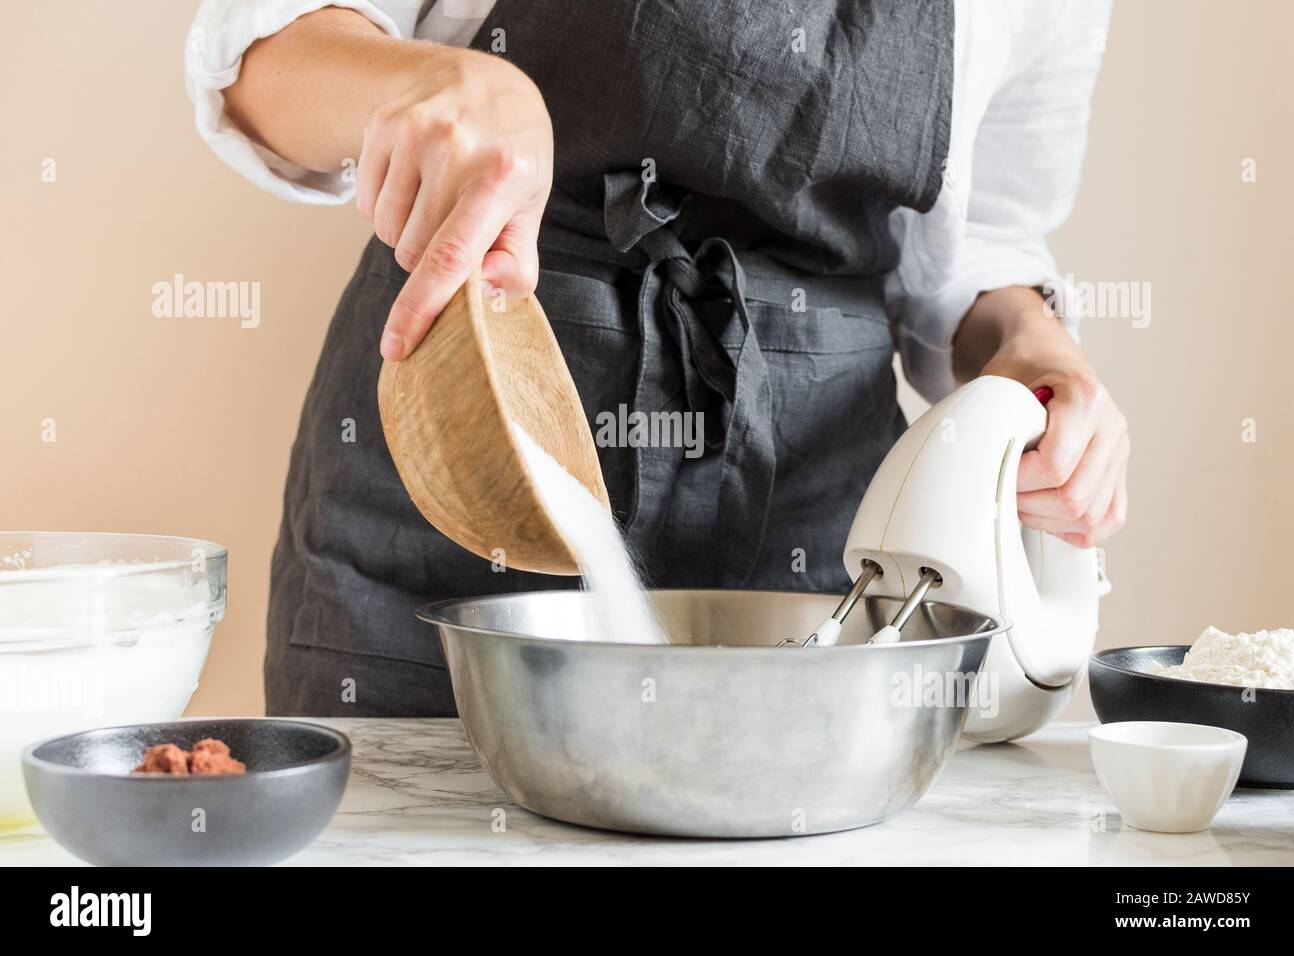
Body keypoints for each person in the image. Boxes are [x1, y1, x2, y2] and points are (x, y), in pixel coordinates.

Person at [185, 0, 1127, 716]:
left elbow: (980, 246)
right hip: (472, 446)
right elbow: (259, 60)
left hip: (813, 513)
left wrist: (1038, 353)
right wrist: (420, 82)